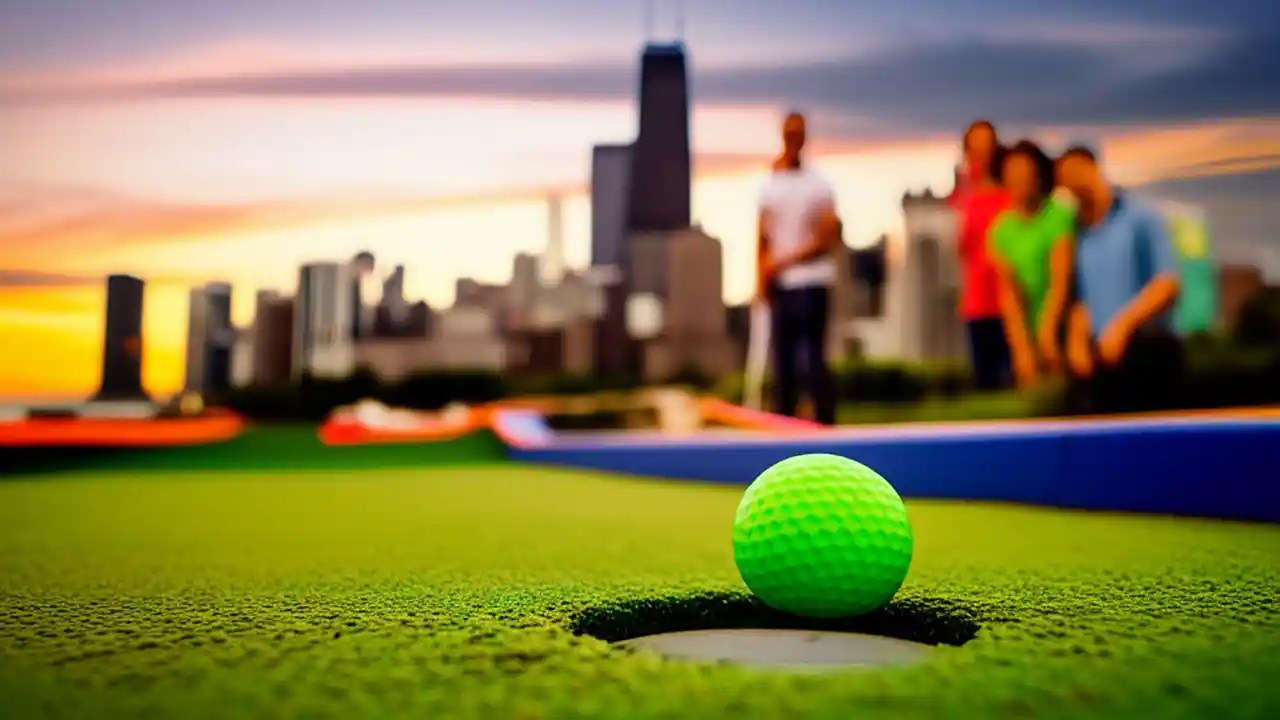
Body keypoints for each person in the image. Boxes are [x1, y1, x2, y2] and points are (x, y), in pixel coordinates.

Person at [1056, 146, 1183, 413]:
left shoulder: (1140, 217)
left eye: (1077, 174)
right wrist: (1077, 339)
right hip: (1103, 360)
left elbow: (1167, 284)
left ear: (1093, 169)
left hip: (1148, 354)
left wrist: (1123, 326)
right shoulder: (1078, 233)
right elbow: (1082, 298)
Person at [756, 111, 841, 425]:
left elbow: (828, 236)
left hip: (813, 284)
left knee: (813, 360)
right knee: (784, 364)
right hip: (782, 286)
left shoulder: (819, 184)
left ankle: (824, 423)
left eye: (798, 133)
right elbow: (762, 236)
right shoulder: (770, 184)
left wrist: (785, 260)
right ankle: (784, 424)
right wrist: (761, 279)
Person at [988, 140, 1076, 387]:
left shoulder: (1059, 215)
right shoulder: (1001, 230)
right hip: (1028, 325)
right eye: (1012, 174)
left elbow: (1061, 282)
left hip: (1066, 323)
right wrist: (1022, 349)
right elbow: (1010, 294)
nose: (1019, 181)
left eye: (1026, 173)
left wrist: (1048, 334)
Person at [951, 120, 1013, 390]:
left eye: (987, 144)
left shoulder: (1010, 194)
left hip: (1012, 299)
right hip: (976, 301)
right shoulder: (959, 199)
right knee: (985, 380)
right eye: (974, 145)